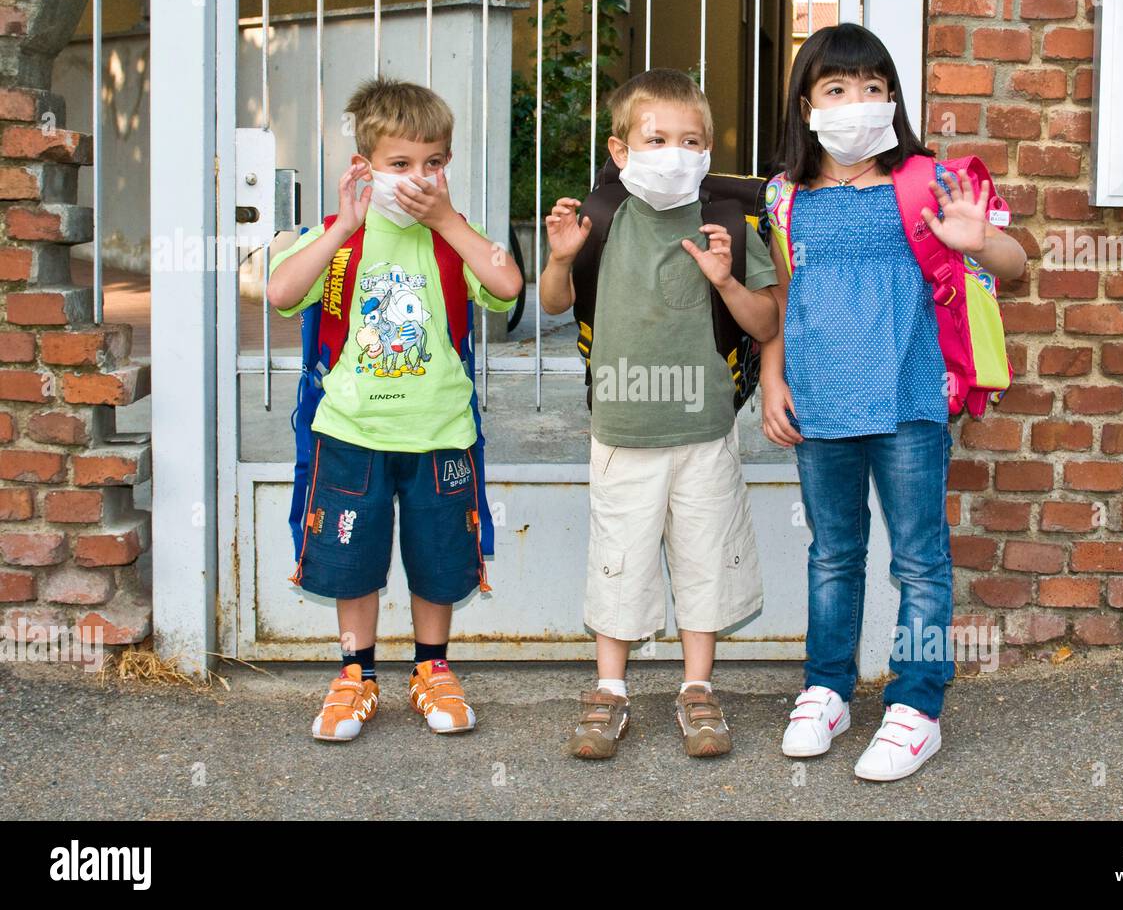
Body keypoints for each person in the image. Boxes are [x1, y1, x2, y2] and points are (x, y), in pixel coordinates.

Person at [762, 24, 1026, 780]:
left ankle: (916, 704)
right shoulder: (784, 197)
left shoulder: (926, 180)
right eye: (838, 89)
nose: (857, 103)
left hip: (911, 398)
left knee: (918, 559)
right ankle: (827, 689)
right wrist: (774, 379)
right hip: (821, 402)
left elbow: (1014, 261)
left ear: (893, 99)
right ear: (807, 104)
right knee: (834, 554)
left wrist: (980, 242)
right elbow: (785, 294)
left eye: (874, 88)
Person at [267, 77, 521, 742]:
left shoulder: (452, 236)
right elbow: (281, 290)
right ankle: (356, 675)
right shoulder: (338, 238)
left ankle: (432, 668)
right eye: (400, 165)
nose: (419, 178)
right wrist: (345, 223)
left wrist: (447, 220)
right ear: (366, 167)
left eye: (433, 164)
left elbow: (505, 283)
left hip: (440, 432)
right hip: (351, 432)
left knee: (440, 558)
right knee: (352, 560)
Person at [540, 68, 779, 759]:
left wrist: (726, 279)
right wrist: (559, 259)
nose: (675, 152)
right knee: (619, 558)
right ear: (620, 151)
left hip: (705, 432)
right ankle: (609, 689)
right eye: (657, 138)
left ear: (708, 151)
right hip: (622, 434)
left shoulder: (729, 223)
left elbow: (765, 322)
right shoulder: (601, 221)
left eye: (691, 140)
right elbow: (556, 303)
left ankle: (697, 687)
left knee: (705, 557)